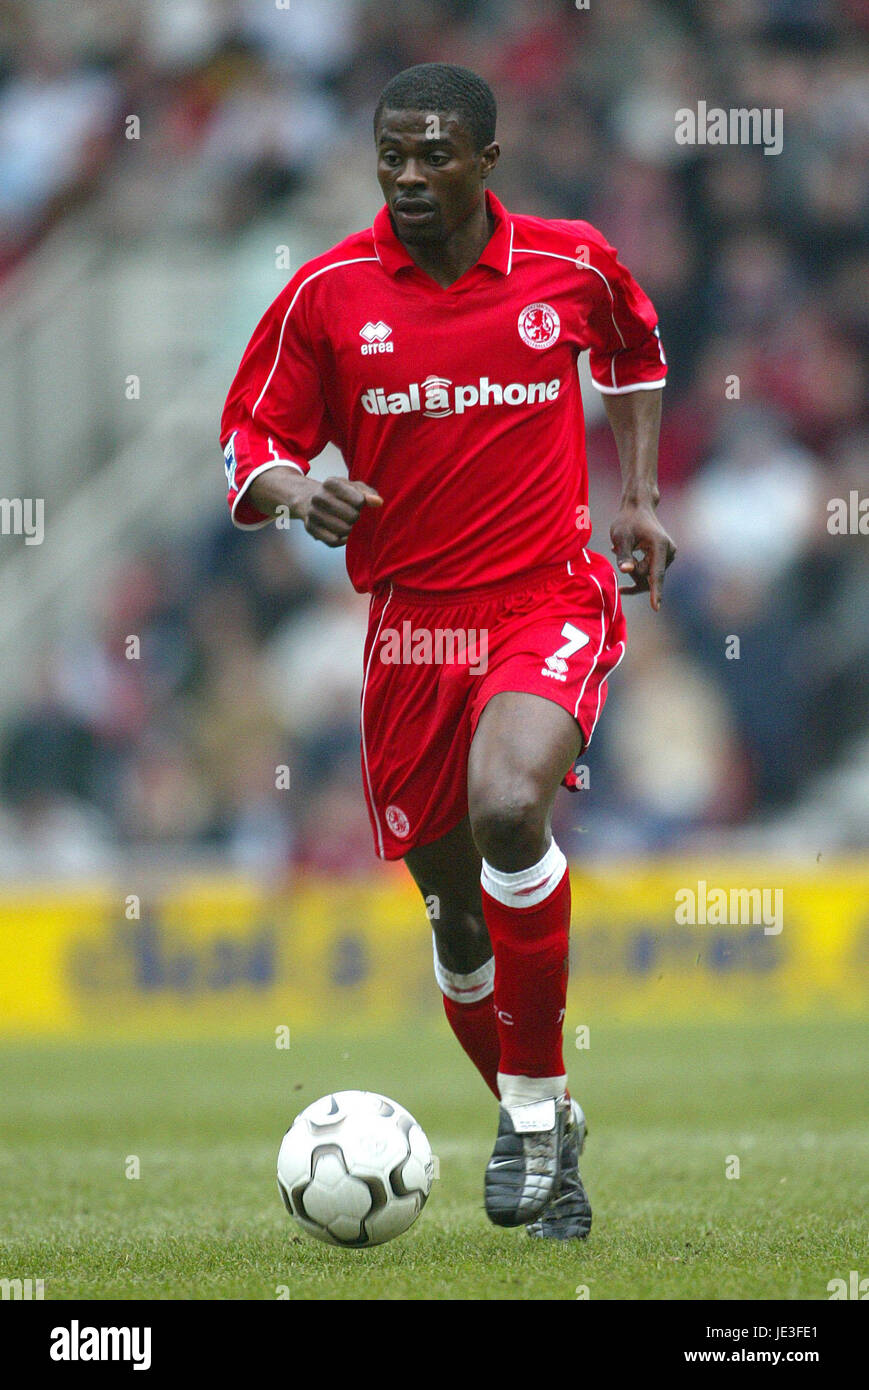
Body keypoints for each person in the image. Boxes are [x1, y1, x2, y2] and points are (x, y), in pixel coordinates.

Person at [220, 63, 675, 1240]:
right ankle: (550, 1128)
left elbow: (633, 345)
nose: (409, 178)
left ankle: (526, 1123)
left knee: (510, 811)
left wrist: (634, 494)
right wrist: (290, 492)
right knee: (453, 916)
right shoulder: (325, 295)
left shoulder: (567, 264)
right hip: (410, 625)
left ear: (486, 162)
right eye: (391, 156)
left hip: (542, 594)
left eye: (433, 157)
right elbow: (249, 435)